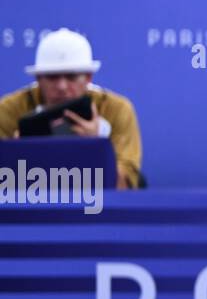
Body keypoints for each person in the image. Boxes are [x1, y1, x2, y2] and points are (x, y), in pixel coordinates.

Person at [0, 29, 142, 188]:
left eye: (71, 77)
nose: (62, 86)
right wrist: (14, 155)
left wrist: (96, 148)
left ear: (88, 77)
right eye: (52, 77)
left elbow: (124, 186)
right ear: (38, 78)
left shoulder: (117, 109)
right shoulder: (8, 110)